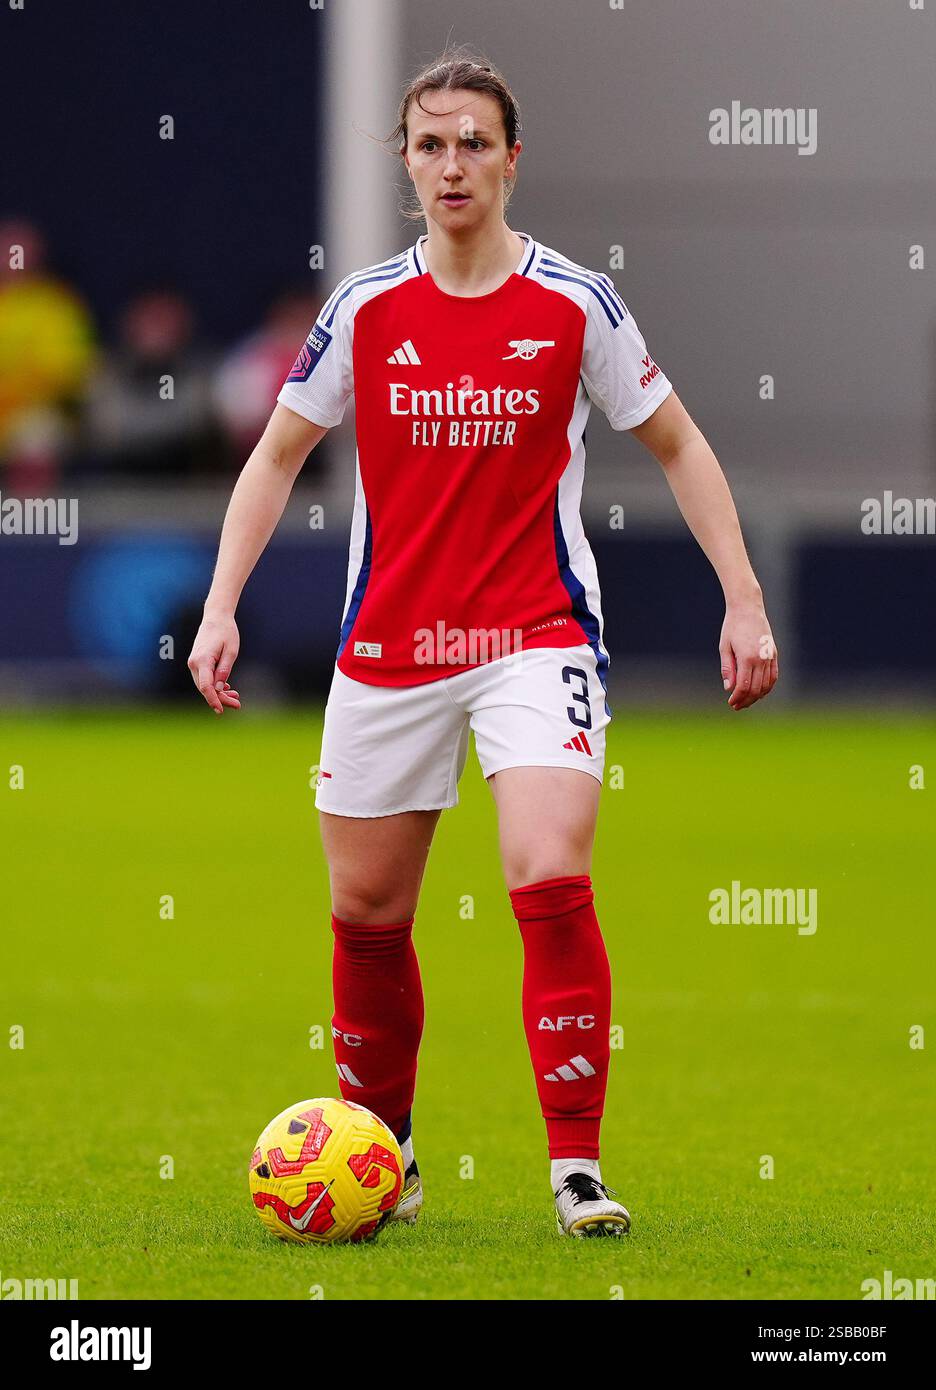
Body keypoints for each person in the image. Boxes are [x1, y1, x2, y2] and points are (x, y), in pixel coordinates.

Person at [187, 46, 778, 1239]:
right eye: (429, 143)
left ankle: (575, 1172)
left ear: (513, 158)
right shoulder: (364, 307)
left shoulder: (576, 302)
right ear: (405, 163)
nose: (452, 163)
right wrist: (219, 603)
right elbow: (276, 456)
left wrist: (744, 595)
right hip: (392, 641)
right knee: (366, 914)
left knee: (547, 872)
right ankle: (382, 1154)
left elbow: (679, 442)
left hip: (532, 633)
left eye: (473, 141)